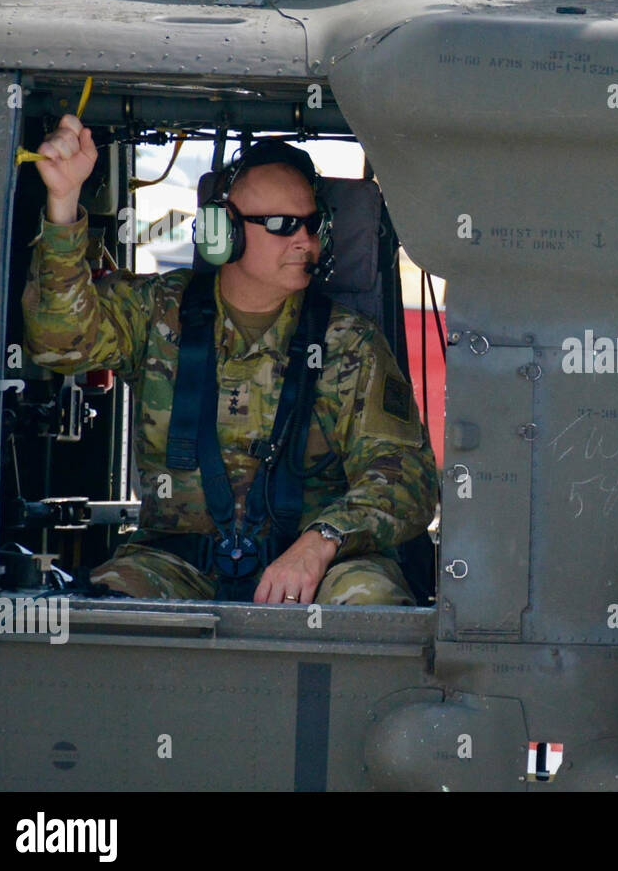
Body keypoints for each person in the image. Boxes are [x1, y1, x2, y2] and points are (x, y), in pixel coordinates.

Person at [23, 115, 439, 606]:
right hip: (176, 563)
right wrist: (64, 201)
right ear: (225, 233)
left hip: (320, 568)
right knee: (110, 612)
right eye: (283, 226)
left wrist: (322, 541)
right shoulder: (157, 310)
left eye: (314, 225)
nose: (305, 241)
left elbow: (405, 478)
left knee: (370, 601)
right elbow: (59, 341)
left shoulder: (351, 342)